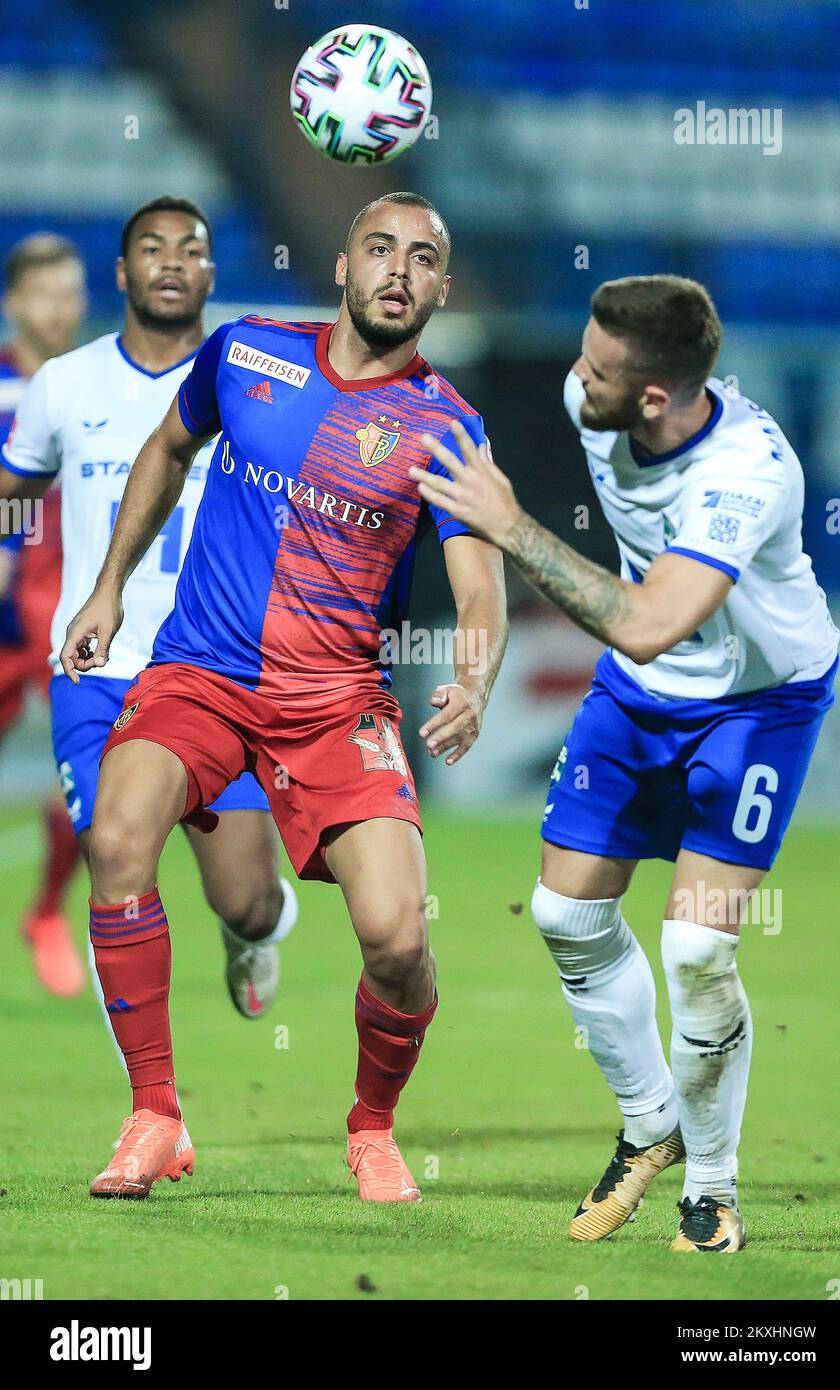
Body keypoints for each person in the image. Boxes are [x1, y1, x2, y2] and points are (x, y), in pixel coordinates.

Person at [60, 191, 508, 1203]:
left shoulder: (449, 428)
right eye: (379, 248)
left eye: (423, 257)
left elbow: (481, 585)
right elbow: (167, 450)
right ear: (341, 267)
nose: (399, 268)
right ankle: (154, 1115)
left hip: (334, 703)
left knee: (398, 939)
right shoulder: (244, 352)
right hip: (201, 675)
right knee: (118, 838)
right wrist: (106, 586)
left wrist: (473, 679)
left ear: (441, 287)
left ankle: (371, 1125)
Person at [412, 274, 839, 1253]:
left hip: (754, 701)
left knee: (694, 951)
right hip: (641, 692)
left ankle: (714, 1186)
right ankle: (649, 1124)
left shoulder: (742, 474)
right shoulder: (593, 398)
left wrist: (512, 522)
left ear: (653, 395)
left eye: (598, 368)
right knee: (564, 913)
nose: (575, 377)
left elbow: (647, 623)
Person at [0, 198, 298, 1036]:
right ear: (124, 273)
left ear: (210, 272)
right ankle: (151, 1106)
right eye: (151, 248)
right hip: (96, 669)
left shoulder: (259, 380)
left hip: (218, 673)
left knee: (244, 899)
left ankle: (257, 934)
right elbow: (12, 500)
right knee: (115, 863)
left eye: (191, 249)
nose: (172, 261)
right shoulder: (64, 384)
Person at [0, 233, 87, 995]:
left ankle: (47, 912)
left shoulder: (91, 388)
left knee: (88, 777)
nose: (63, 309)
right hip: (2, 613)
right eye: (47, 294)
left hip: (65, 614)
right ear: (13, 305)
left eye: (73, 293)